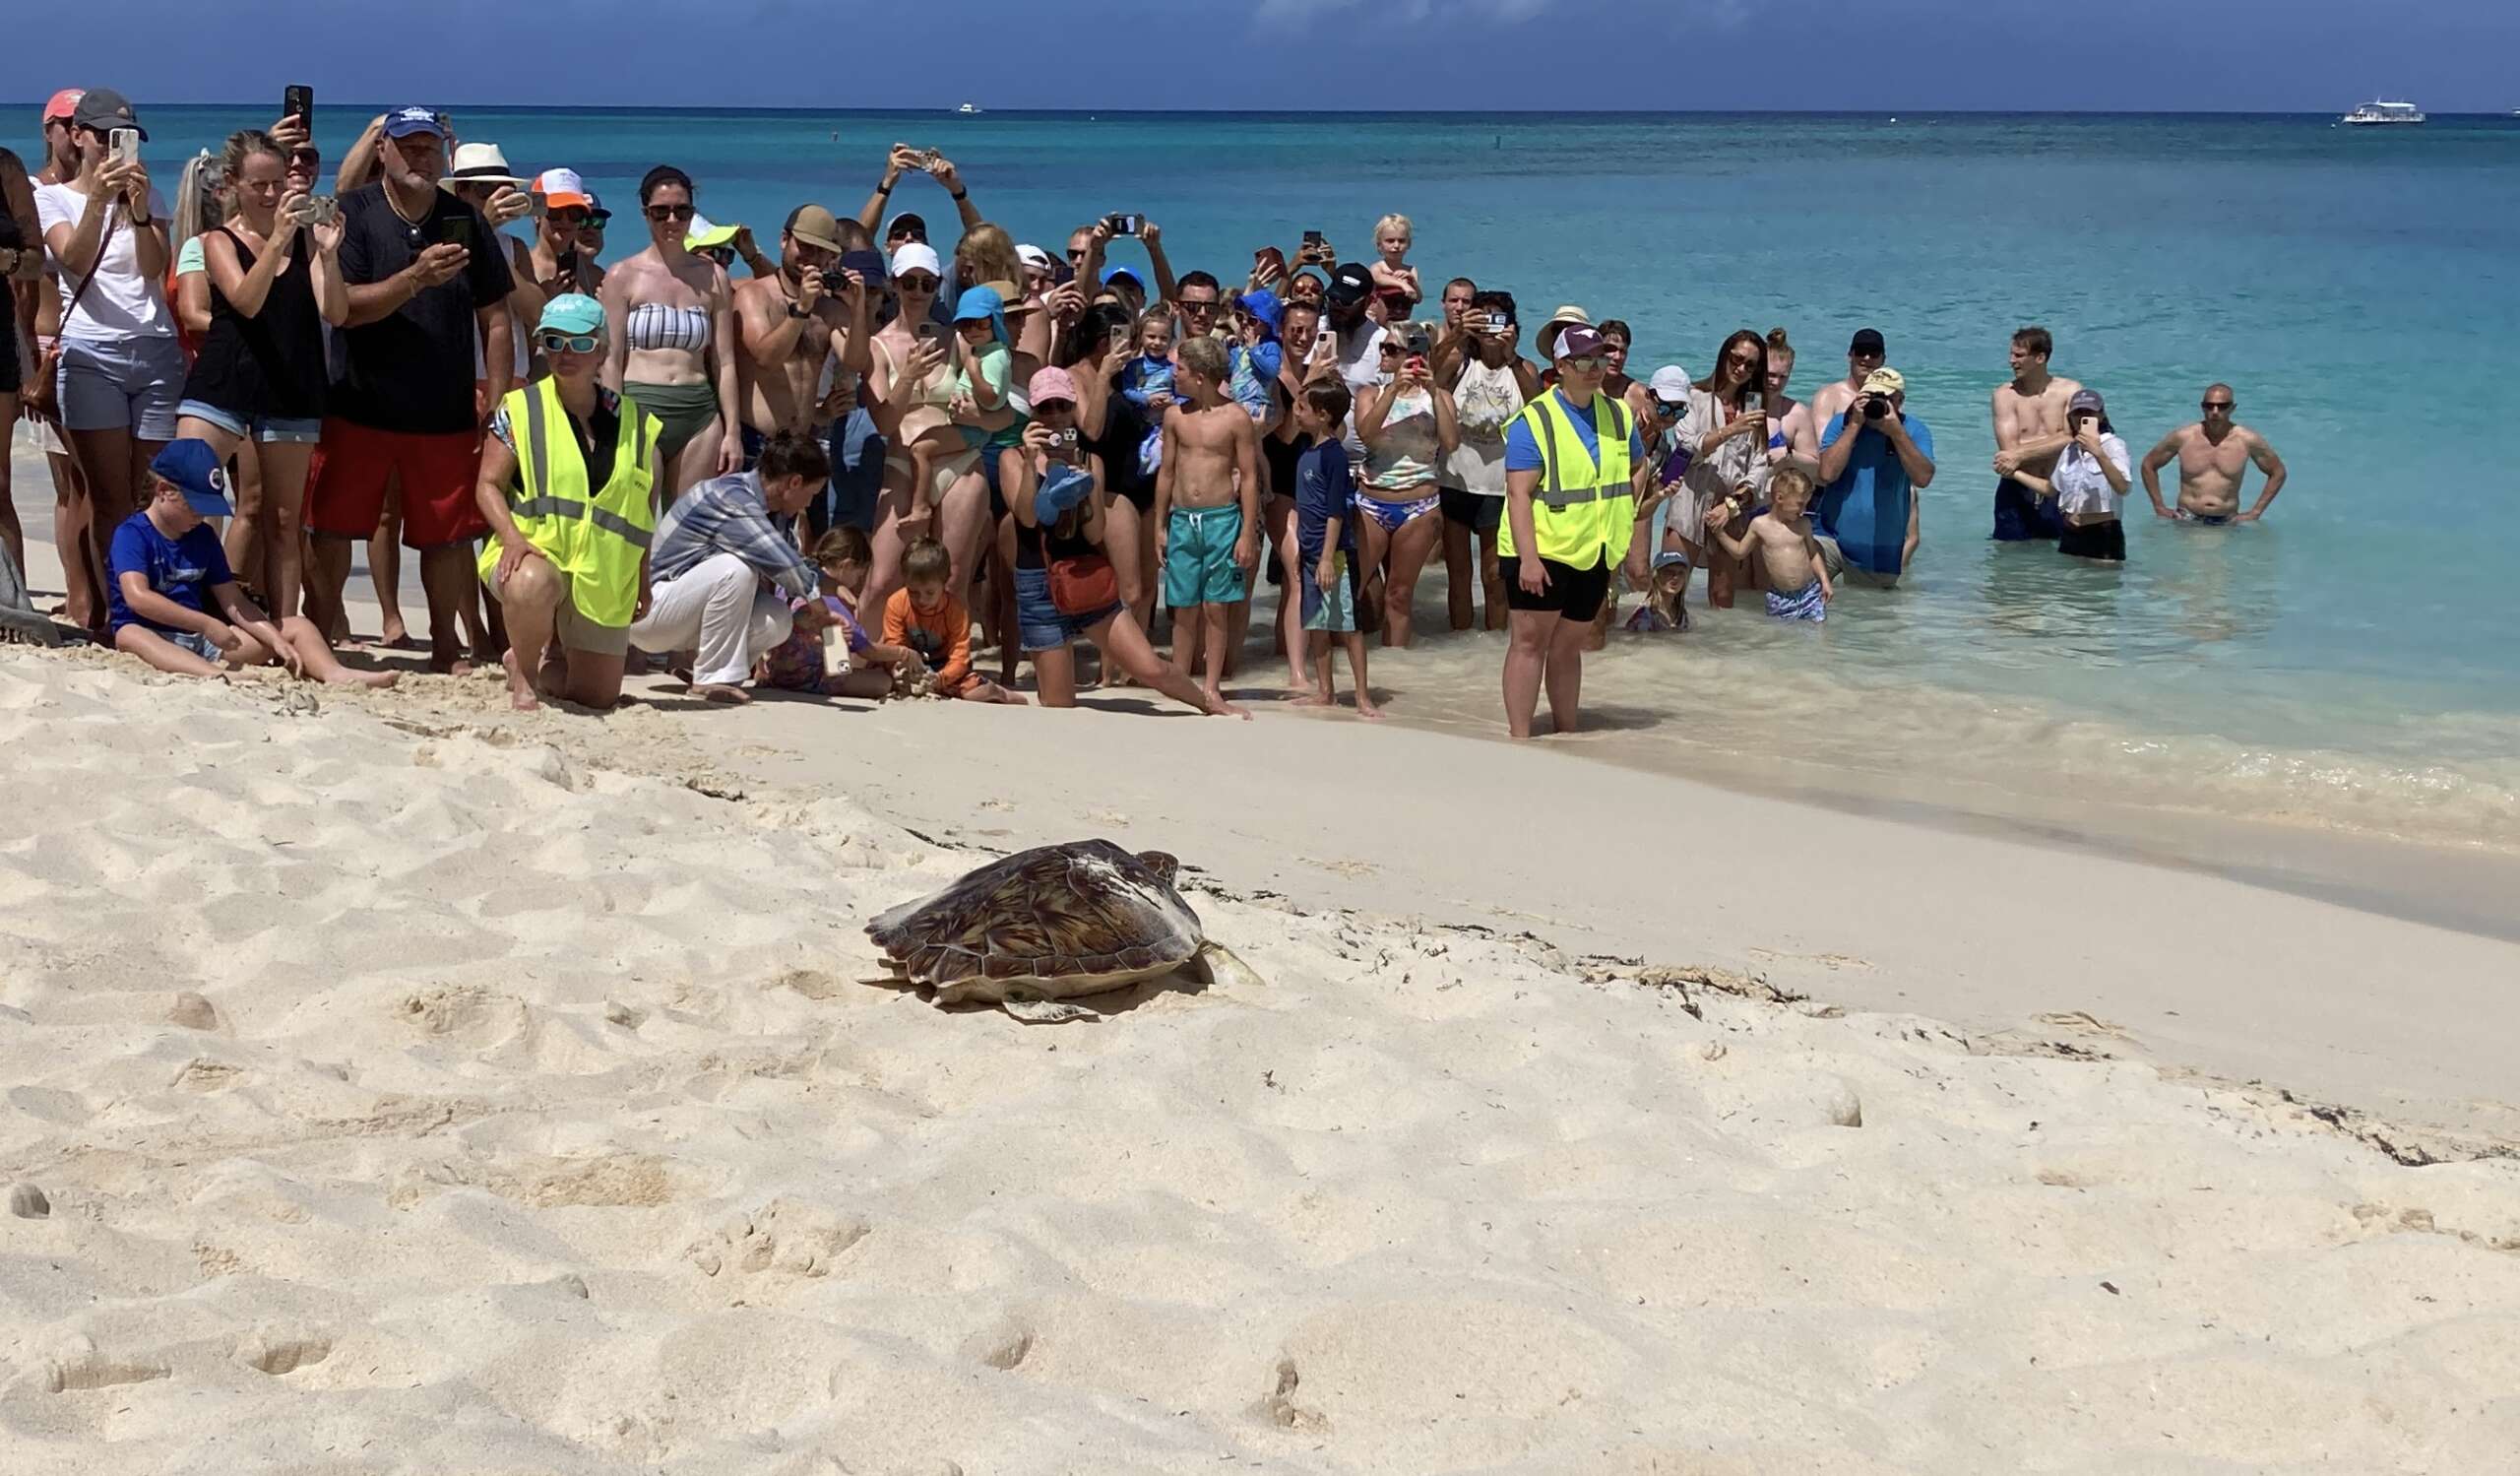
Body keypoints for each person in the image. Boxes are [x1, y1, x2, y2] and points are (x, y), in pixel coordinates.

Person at [307, 106, 515, 674]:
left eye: (429, 148)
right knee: (332, 530)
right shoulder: (354, 212)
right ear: (383, 151)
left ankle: (446, 645)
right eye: (408, 146)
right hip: (357, 404)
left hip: (443, 411)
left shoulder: (463, 220)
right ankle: (321, 632)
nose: (420, 157)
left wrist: (497, 406)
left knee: (447, 539)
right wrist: (415, 278)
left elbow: (496, 316)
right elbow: (344, 308)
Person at [173, 130, 346, 627]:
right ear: (233, 184)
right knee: (188, 493)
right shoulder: (215, 241)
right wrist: (276, 240)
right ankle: (186, 611)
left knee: (284, 520)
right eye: (259, 185)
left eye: (278, 184)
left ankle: (286, 626)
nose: (271, 195)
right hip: (223, 382)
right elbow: (246, 300)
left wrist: (329, 253)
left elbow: (334, 310)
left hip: (290, 385)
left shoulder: (307, 243)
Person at [1007, 366, 1242, 716]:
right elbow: (1027, 517)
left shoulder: (1091, 460)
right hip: (1038, 580)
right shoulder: (1013, 458)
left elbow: (1094, 534)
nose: (1055, 416)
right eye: (1046, 408)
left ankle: (1208, 702)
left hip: (1085, 576)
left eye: (1062, 405)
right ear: (1034, 413)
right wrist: (1031, 464)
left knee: (1151, 667)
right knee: (1058, 703)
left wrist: (1084, 488)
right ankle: (1003, 695)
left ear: (1073, 408)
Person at [472, 293, 658, 711]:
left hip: (601, 573)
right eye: (554, 342)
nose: (566, 353)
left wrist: (642, 578)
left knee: (597, 696)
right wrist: (512, 537)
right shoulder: (518, 409)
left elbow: (640, 513)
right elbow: (486, 485)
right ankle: (523, 673)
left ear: (603, 351)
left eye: (580, 343)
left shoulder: (638, 424)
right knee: (532, 582)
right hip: (537, 554)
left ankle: (546, 654)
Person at [35, 88, 174, 635]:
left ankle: (140, 602)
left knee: (149, 491)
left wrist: (139, 212)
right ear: (79, 136)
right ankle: (115, 613)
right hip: (92, 350)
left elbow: (152, 269)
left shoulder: (150, 196)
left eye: (129, 138)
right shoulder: (53, 198)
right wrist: (98, 199)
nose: (117, 147)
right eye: (105, 136)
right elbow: (70, 258)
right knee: (108, 494)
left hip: (155, 347)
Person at [107, 439, 395, 685]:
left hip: (204, 641)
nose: (200, 516)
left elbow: (233, 600)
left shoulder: (203, 536)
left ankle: (334, 673)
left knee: (297, 627)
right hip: (152, 633)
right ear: (164, 491)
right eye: (196, 506)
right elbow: (138, 598)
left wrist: (273, 638)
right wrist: (205, 623)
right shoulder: (132, 534)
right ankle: (215, 675)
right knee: (129, 635)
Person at [1499, 326, 1655, 739]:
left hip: (1595, 549)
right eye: (1586, 361)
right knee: (1529, 645)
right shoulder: (1533, 420)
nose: (1596, 368)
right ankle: (1518, 738)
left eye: (1602, 359)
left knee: (1569, 647)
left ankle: (1567, 735)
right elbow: (1518, 494)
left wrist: (1627, 510)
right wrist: (1528, 560)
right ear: (1561, 365)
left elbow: (1638, 467)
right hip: (1541, 552)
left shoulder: (1619, 414)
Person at [629, 430, 832, 704]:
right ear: (794, 483)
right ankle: (712, 679)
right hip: (649, 611)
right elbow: (786, 564)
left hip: (681, 613)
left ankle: (714, 674)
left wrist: (809, 616)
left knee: (777, 619)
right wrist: (821, 609)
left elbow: (790, 567)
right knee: (735, 568)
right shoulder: (730, 496)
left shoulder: (778, 517)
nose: (810, 503)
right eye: (812, 494)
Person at [601, 165, 740, 498]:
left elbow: (725, 361)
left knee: (685, 531)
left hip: (700, 414)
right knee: (639, 532)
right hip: (640, 408)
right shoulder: (622, 275)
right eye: (660, 212)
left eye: (682, 211)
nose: (672, 221)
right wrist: (612, 424)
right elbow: (610, 359)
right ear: (645, 214)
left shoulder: (714, 277)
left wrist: (732, 430)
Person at [731, 205, 872, 497]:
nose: (811, 259)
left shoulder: (831, 310)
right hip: (758, 443)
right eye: (805, 247)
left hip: (802, 444)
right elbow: (767, 358)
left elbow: (856, 361)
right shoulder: (755, 295)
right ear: (785, 240)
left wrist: (857, 308)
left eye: (821, 252)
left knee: (794, 538)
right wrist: (801, 310)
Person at [1155, 336, 1260, 706]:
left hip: (1222, 521)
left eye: (1179, 369)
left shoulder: (1236, 418)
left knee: (1217, 607)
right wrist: (1159, 525)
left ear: (1199, 376)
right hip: (1183, 520)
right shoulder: (1174, 416)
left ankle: (1212, 687)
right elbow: (1166, 473)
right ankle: (1182, 683)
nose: (1174, 375)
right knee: (1182, 607)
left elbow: (1248, 477)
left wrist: (1248, 532)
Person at [1353, 322, 1458, 647]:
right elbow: (1367, 436)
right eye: (1382, 347)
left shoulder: (1440, 398)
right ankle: (1340, 672)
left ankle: (1397, 669)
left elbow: (1451, 443)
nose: (1382, 354)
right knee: (1351, 588)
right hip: (1371, 502)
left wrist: (1433, 392)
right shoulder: (1371, 393)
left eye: (1391, 349)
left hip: (1419, 507)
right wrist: (1395, 390)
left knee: (1399, 595)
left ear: (1416, 355)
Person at [1439, 289, 1536, 633]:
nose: (1491, 329)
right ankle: (1461, 647)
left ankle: (1495, 645)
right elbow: (1429, 380)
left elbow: (1539, 409)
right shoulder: (1460, 361)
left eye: (1499, 320)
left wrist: (1509, 356)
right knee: (1459, 574)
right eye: (1484, 319)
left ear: (1512, 326)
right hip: (1454, 479)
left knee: (1495, 576)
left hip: (1499, 485)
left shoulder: (1523, 368)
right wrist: (1458, 334)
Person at [1290, 382, 1379, 720]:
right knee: (1316, 623)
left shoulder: (1334, 456)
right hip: (1310, 552)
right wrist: (1304, 548)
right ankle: (1325, 691)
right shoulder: (1307, 451)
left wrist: (1328, 556)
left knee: (1347, 625)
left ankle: (1362, 696)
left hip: (1335, 555)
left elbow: (1335, 511)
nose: (1296, 414)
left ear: (1323, 415)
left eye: (1302, 408)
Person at [755, 526, 916, 700]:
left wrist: (760, 669)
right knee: (882, 682)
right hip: (810, 679)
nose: (858, 583)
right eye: (859, 575)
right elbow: (868, 650)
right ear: (847, 566)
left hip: (778, 672)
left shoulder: (791, 583)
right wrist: (904, 652)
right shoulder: (833, 605)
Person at [1813, 366, 1935, 589]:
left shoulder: (1914, 430)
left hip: (1878, 550)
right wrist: (1854, 426)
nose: (1877, 403)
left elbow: (1923, 478)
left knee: (1869, 618)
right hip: (1829, 535)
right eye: (1872, 396)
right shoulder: (1842, 423)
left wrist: (1896, 432)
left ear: (1900, 401)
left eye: (1886, 398)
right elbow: (1827, 474)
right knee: (1800, 593)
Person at [1678, 329, 1771, 609]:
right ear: (1724, 355)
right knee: (1671, 586)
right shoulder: (1694, 396)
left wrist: (1732, 505)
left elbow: (1758, 468)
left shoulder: (1753, 408)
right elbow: (1685, 450)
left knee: (1723, 597)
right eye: (1736, 358)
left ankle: (1717, 652)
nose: (1741, 368)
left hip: (1729, 507)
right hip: (1690, 497)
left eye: (1750, 364)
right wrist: (1731, 429)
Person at [881, 536, 1018, 703]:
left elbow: (960, 655)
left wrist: (941, 678)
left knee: (976, 693)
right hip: (911, 665)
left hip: (946, 667)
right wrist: (897, 667)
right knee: (881, 681)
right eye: (913, 592)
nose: (922, 600)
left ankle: (1002, 694)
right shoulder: (896, 602)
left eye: (929, 593)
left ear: (944, 582)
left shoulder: (955, 610)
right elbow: (894, 643)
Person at [2007, 388, 2130, 562]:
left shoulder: (2114, 446)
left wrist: (2098, 453)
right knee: (2066, 588)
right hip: (2070, 532)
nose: (2081, 417)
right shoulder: (2069, 450)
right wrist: (2014, 473)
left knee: (2102, 588)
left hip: (2103, 533)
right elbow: (2051, 489)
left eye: (2088, 412)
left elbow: (2123, 487)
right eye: (2077, 413)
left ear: (2101, 415)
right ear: (2070, 418)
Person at [0, 137, 47, 581]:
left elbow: (37, 261)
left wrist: (6, 259)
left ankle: (13, 601)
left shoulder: (5, 168)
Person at [2141, 384, 2288, 525]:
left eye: (2222, 406)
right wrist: (2159, 507)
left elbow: (2278, 472)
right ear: (2202, 407)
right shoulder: (2184, 437)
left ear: (2233, 408)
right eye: (2209, 406)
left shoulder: (2247, 440)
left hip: (2227, 520)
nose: (2215, 411)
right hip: (2186, 518)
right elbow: (2149, 464)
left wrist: (2255, 512)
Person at [1704, 463, 1833, 621]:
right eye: (1800, 504)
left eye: (1806, 504)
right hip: (1780, 598)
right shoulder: (1760, 525)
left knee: (1819, 634)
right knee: (1783, 640)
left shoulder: (1803, 524)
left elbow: (1813, 554)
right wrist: (1719, 533)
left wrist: (1825, 581)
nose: (1803, 510)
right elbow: (1739, 552)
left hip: (1809, 593)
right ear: (1779, 498)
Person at [1989, 326, 2083, 541]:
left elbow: (2074, 437)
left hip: (2059, 487)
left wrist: (2020, 455)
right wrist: (2058, 440)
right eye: (2011, 354)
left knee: (2064, 561)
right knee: (2008, 562)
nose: (2011, 361)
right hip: (2017, 487)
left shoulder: (2070, 390)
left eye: (2019, 355)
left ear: (2040, 358)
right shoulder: (2004, 395)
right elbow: (2008, 451)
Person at [526, 169, 604, 300]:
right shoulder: (521, 267)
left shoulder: (596, 277)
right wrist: (540, 300)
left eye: (575, 213)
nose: (565, 220)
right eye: (555, 212)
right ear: (536, 215)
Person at [1760, 327, 1820, 471]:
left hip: (1773, 490)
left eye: (1783, 376)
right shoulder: (1735, 404)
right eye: (1771, 375)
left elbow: (1816, 467)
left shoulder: (1797, 413)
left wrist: (1789, 455)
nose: (1776, 382)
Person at [1809, 327, 1885, 433]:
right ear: (1850, 356)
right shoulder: (1828, 397)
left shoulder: (1889, 397)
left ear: (1883, 360)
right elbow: (1822, 444)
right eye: (1861, 351)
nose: (1867, 358)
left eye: (1874, 353)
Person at [1367, 213, 1420, 318]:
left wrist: (1413, 282)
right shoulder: (1378, 267)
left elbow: (1418, 298)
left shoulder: (1411, 270)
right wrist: (1402, 284)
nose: (1396, 246)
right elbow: (1378, 278)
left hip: (1401, 320)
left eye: (1401, 241)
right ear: (1379, 245)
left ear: (1408, 244)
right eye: (1390, 241)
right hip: (1378, 322)